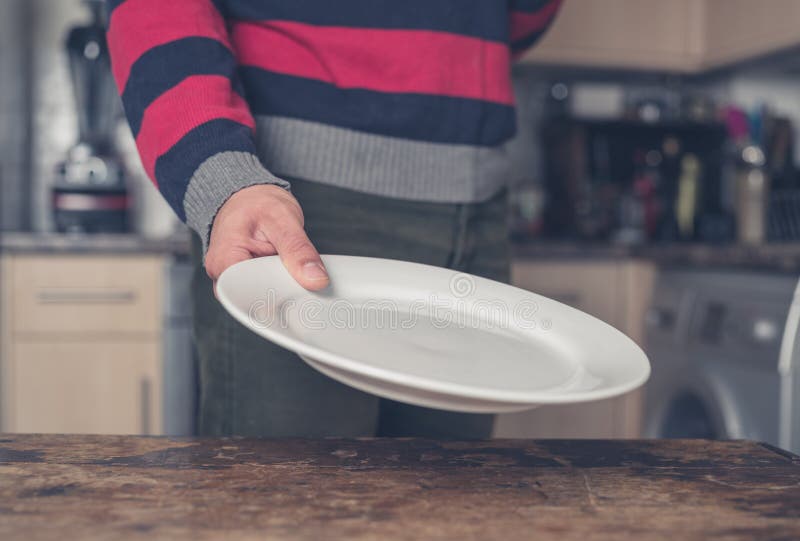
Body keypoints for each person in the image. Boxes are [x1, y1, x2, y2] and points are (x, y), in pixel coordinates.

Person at [106, 0, 563, 438]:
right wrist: (224, 179)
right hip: (295, 211)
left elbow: (517, 17)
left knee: (456, 503)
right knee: (287, 505)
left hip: (479, 207)